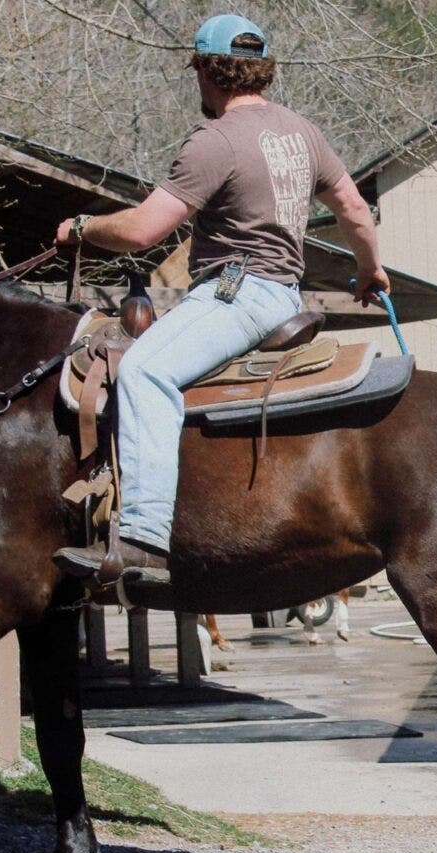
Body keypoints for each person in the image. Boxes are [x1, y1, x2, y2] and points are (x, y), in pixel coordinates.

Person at [53, 14, 389, 581]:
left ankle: (141, 537)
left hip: (239, 295)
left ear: (208, 71)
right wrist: (370, 270)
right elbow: (354, 209)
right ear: (262, 70)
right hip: (286, 293)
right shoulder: (301, 132)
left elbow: (142, 231)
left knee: (144, 372)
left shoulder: (215, 141)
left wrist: (81, 227)